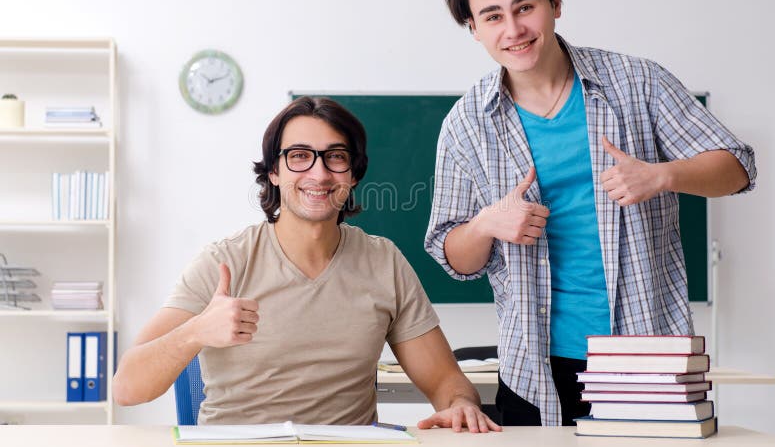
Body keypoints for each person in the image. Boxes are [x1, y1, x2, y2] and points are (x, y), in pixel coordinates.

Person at [424, 0, 756, 427]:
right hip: (533, 365)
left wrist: (664, 174)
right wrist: (487, 224)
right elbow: (453, 257)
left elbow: (738, 166)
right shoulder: (466, 123)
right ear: (474, 29)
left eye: (526, 6)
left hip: (646, 355)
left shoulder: (637, 83)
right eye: (493, 16)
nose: (514, 29)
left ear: (555, 4)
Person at [113, 96, 501, 433]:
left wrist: (461, 405)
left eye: (335, 157)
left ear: (353, 174)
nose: (319, 173)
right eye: (299, 156)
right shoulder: (224, 261)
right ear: (274, 172)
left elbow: (446, 382)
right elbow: (127, 388)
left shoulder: (384, 262)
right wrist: (196, 331)